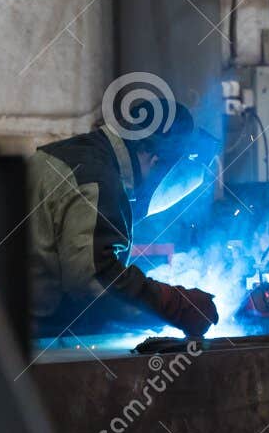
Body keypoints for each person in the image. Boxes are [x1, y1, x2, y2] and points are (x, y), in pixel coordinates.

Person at [28, 105, 219, 338]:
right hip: (42, 340)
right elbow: (93, 282)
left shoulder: (71, 154)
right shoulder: (97, 179)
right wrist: (172, 305)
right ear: (154, 158)